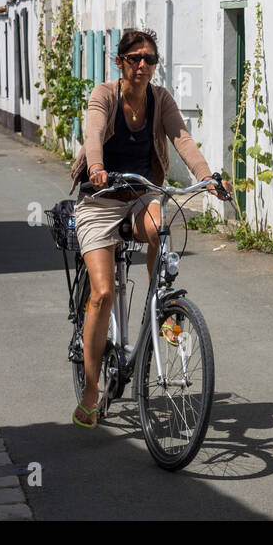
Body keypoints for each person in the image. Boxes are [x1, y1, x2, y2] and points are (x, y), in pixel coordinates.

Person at [66, 27, 226, 428]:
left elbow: (182, 139)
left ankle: (161, 307)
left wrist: (207, 177)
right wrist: (97, 168)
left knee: (161, 227)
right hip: (100, 199)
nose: (142, 66)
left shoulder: (160, 100)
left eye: (149, 59)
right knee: (102, 293)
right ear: (120, 62)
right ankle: (90, 391)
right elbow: (94, 132)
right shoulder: (104, 95)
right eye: (134, 58)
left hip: (139, 194)